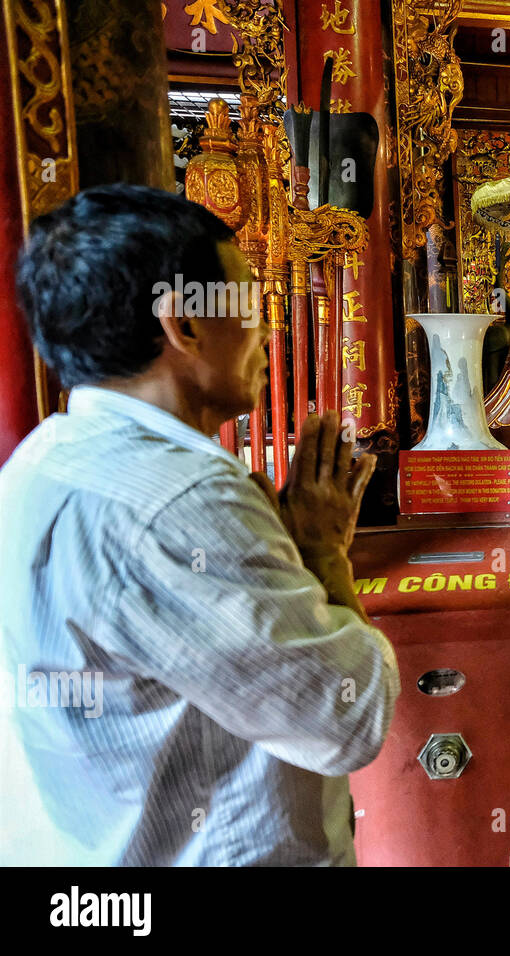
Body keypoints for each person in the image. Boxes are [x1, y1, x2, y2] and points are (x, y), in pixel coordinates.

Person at [0, 184, 398, 865]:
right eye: (249, 306)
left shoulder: (39, 461)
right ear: (183, 325)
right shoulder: (184, 501)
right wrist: (323, 553)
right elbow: (348, 714)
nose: (269, 332)